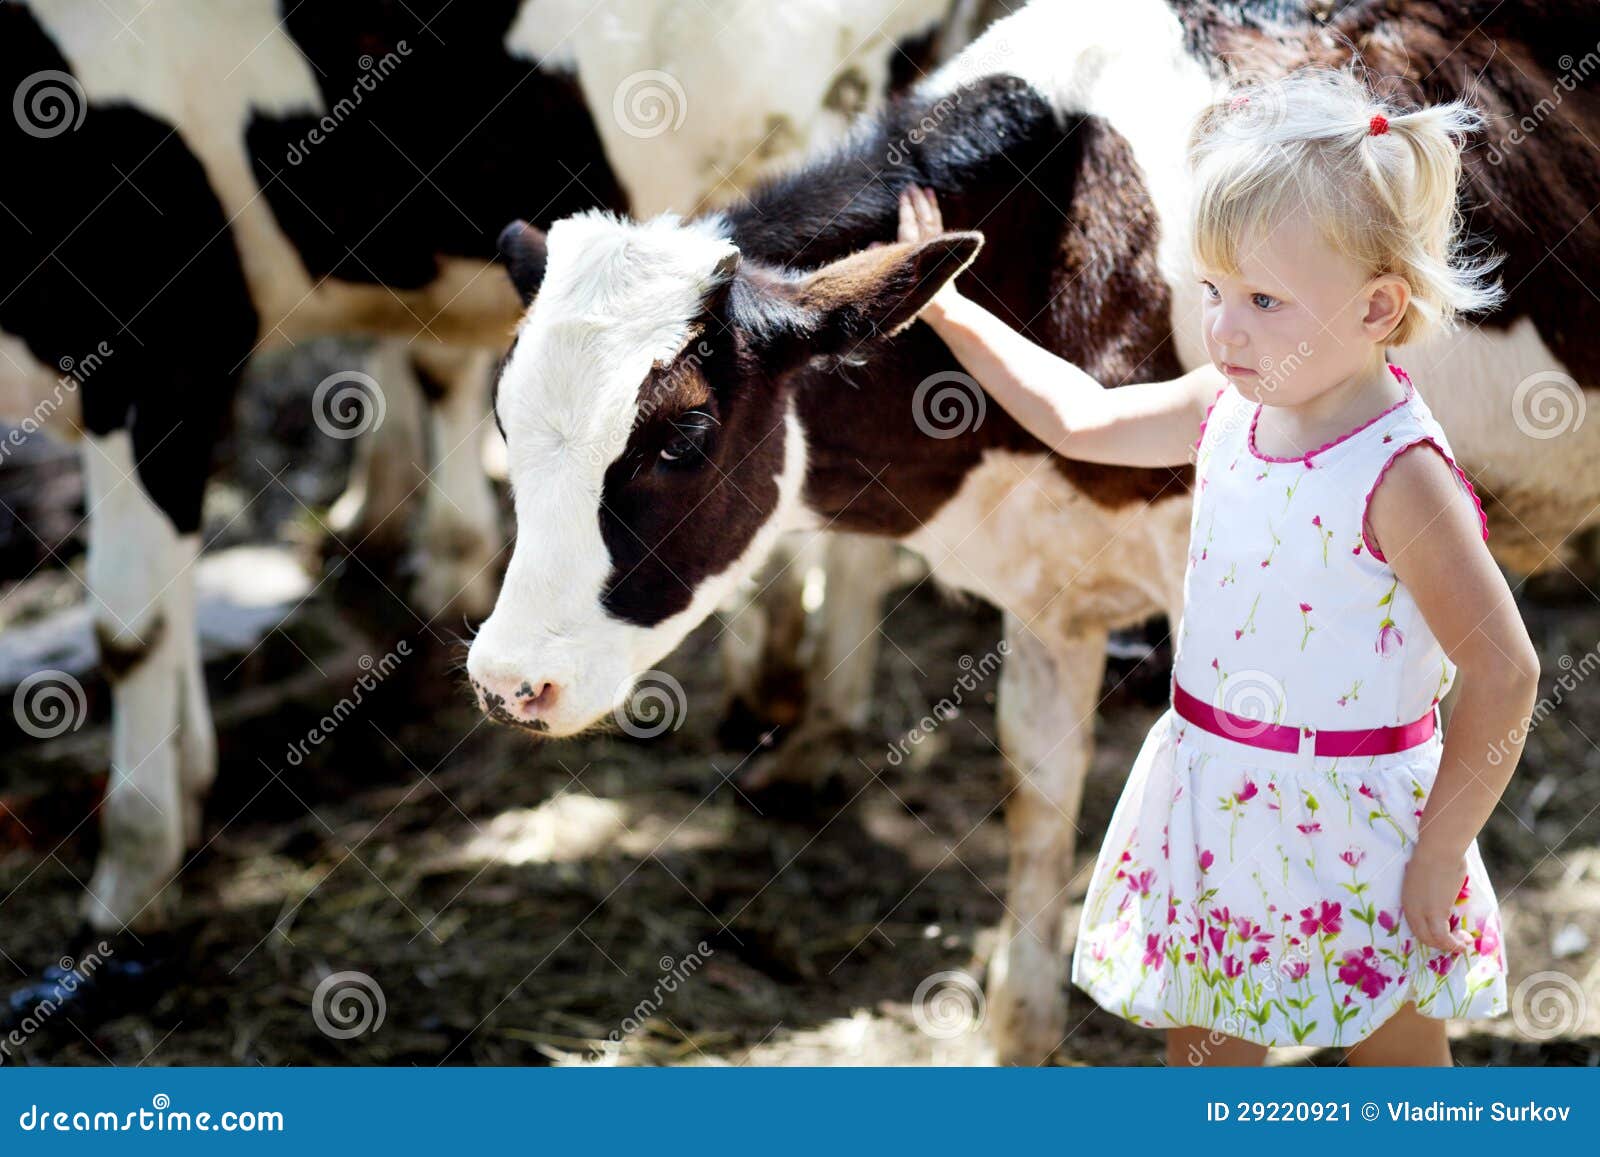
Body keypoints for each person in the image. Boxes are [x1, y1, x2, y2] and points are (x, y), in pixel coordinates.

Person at [896, 67, 1541, 1066]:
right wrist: (949, 311)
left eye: (1264, 299)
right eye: (1213, 290)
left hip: (1360, 825)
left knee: (1398, 1076)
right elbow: (1081, 418)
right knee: (1205, 1066)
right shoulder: (1228, 406)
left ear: (1377, 307)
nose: (1224, 327)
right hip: (1218, 797)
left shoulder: (1400, 476)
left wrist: (1440, 850)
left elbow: (1505, 671)